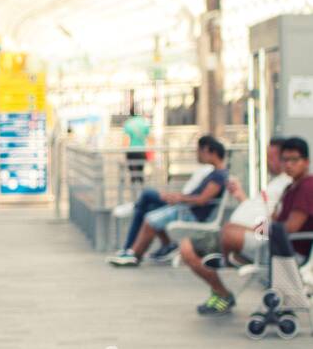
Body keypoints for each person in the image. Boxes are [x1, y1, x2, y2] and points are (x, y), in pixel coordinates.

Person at [179, 136, 313, 314]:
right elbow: (274, 218)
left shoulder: (306, 187)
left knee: (227, 233)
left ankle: (227, 259)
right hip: (273, 241)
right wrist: (256, 227)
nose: (288, 164)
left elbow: (290, 228)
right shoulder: (290, 187)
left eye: (293, 160)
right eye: (285, 159)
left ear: (306, 162)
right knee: (229, 231)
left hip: (283, 250)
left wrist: (255, 231)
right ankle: (229, 258)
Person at [107, 135, 228, 266]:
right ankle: (136, 251)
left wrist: (179, 198)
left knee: (150, 217)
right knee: (150, 210)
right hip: (188, 210)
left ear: (210, 151)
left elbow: (202, 200)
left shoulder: (218, 176)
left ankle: (134, 254)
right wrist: (176, 197)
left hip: (191, 214)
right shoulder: (215, 173)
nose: (197, 155)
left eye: (199, 151)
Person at [122, 102, 151, 185]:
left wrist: (124, 153)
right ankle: (142, 191)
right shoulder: (144, 123)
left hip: (131, 152)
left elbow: (126, 140)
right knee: (140, 172)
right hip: (142, 151)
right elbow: (150, 138)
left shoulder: (128, 123)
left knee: (133, 174)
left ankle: (133, 192)